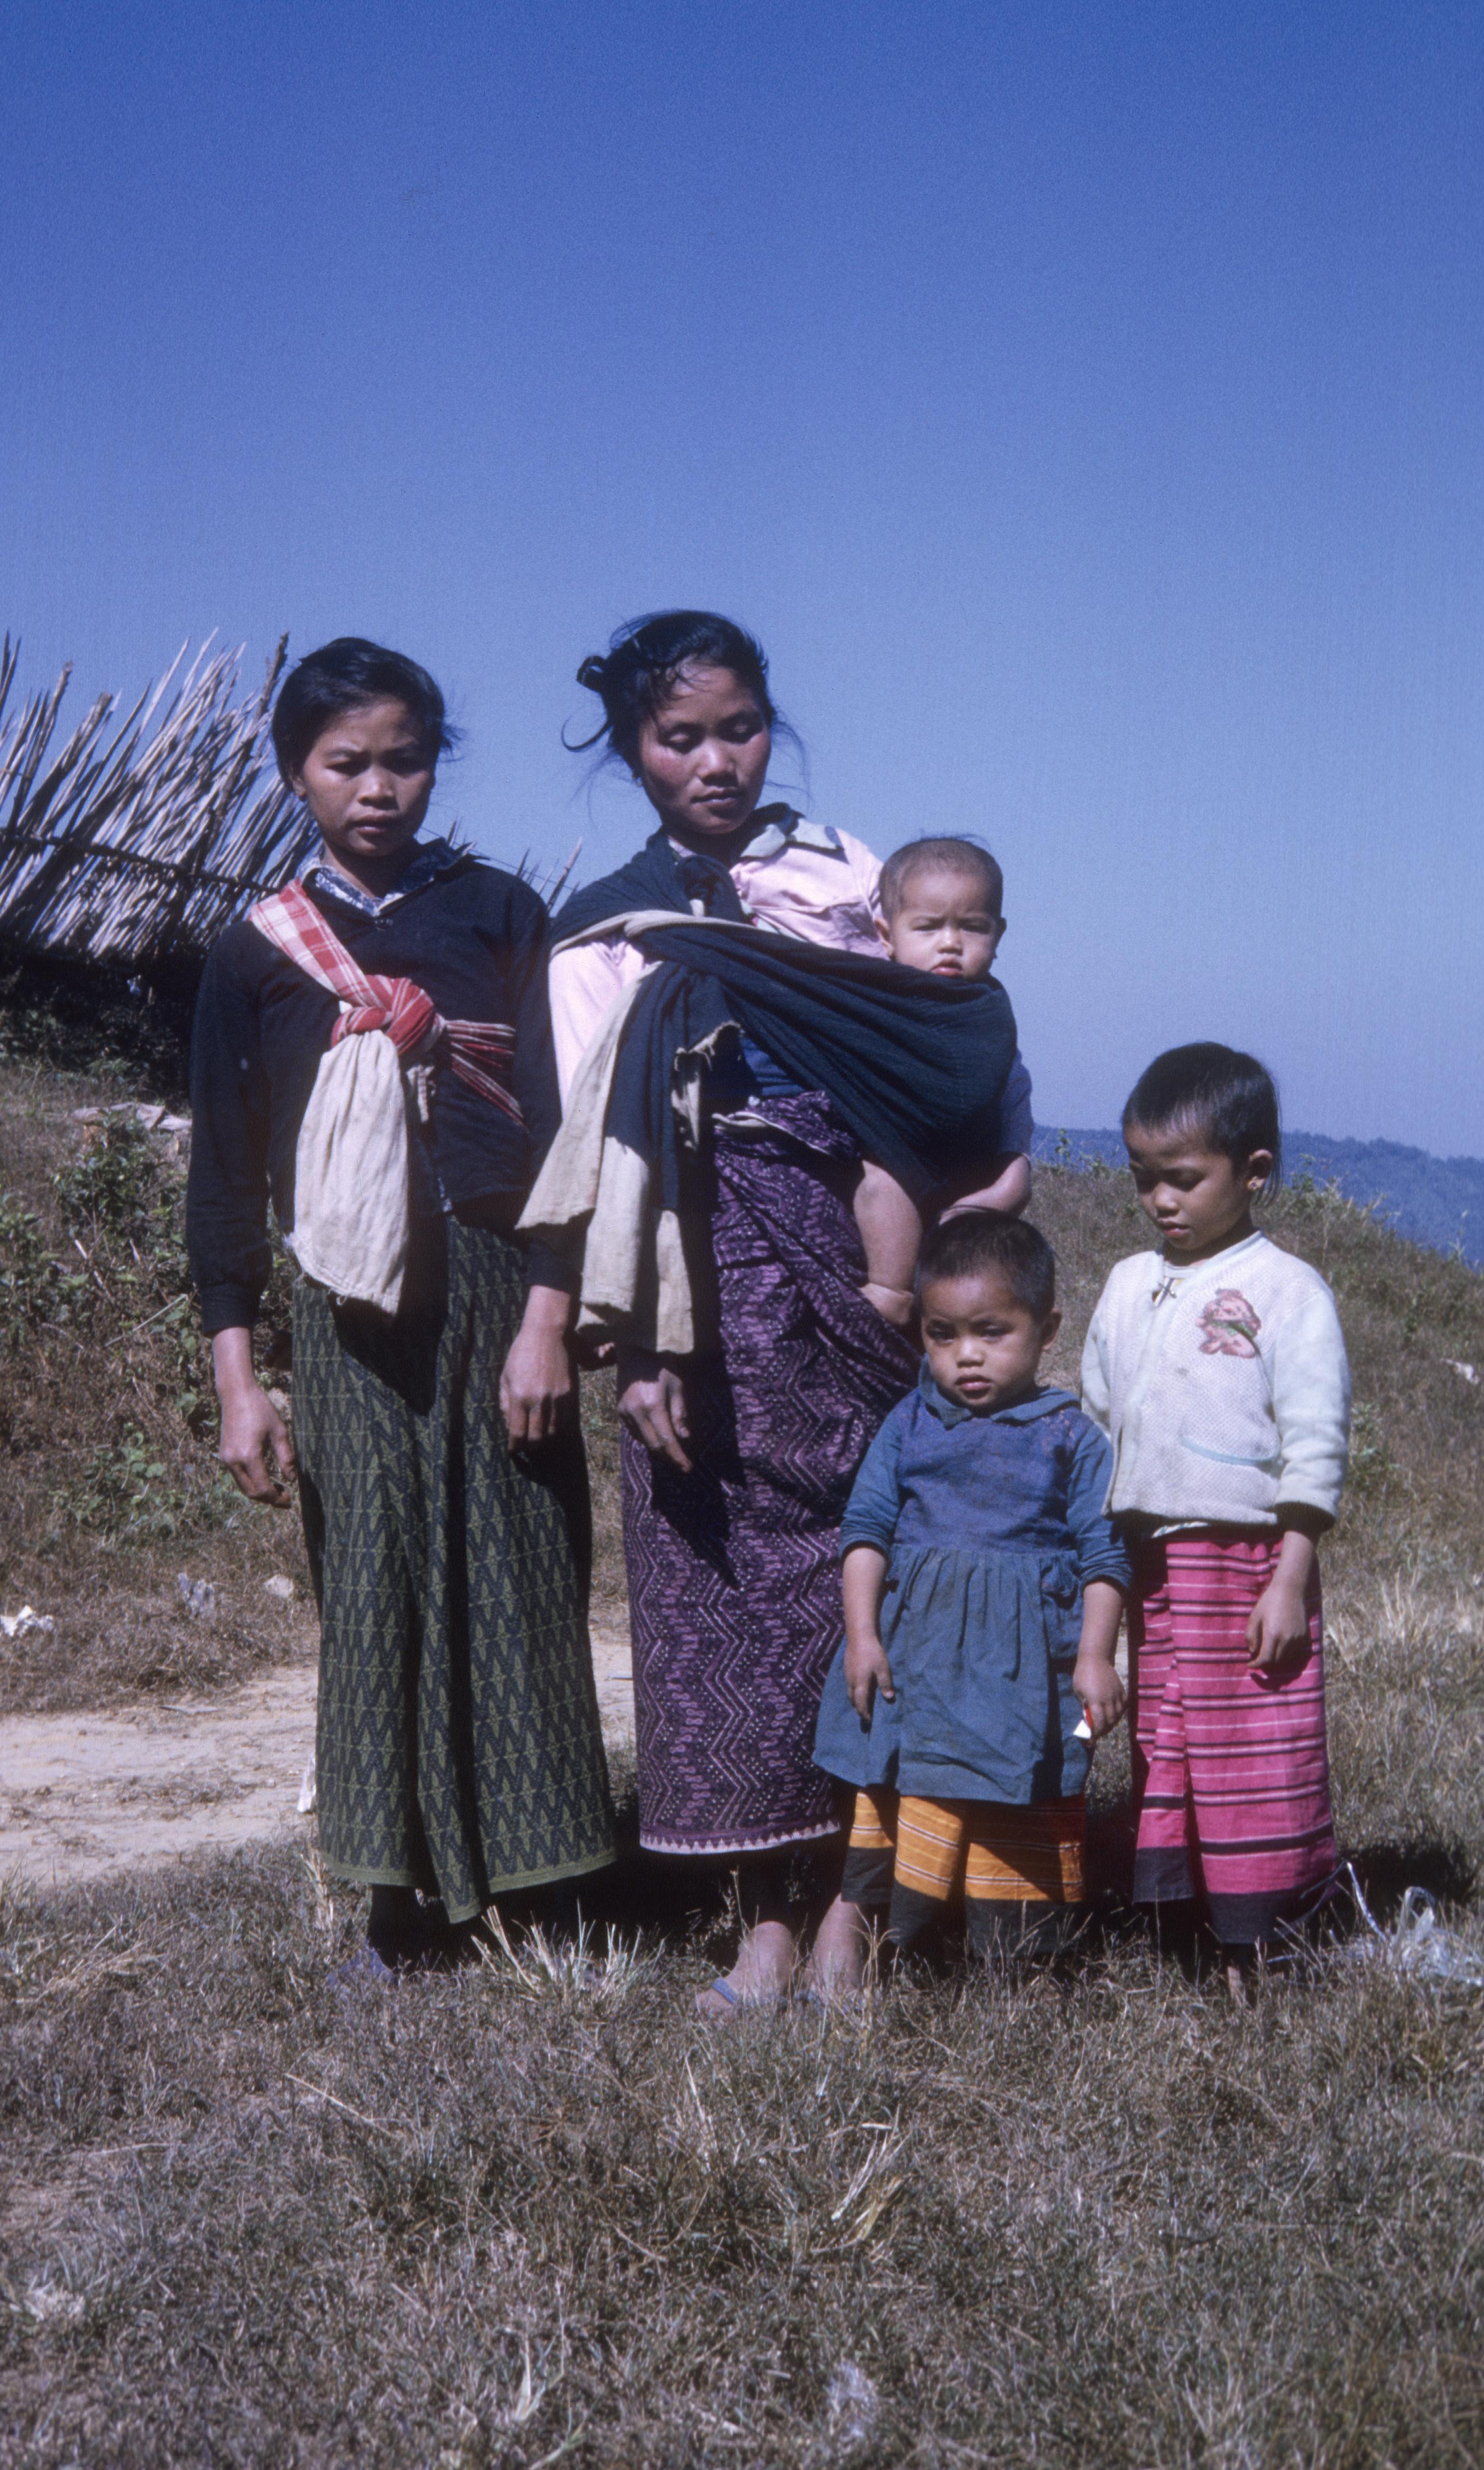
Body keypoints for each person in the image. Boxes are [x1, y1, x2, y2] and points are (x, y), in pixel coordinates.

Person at [536, 611, 1019, 2012]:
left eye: (737, 727)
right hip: (691, 1283)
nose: (716, 759)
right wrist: (629, 1348)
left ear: (770, 723)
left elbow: (946, 1044)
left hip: (859, 1268)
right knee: (719, 1605)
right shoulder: (609, 933)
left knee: (863, 1580)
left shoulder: (850, 875)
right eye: (679, 737)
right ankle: (757, 1921)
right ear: (634, 750)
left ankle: (851, 1922)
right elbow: (594, 1154)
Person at [186, 637, 615, 1967]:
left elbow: (561, 1134)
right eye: (345, 763)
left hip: (495, 1282)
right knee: (370, 1581)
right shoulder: (256, 952)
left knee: (521, 1565)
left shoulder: (494, 912)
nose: (379, 788)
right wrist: (239, 1379)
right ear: (294, 774)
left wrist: (550, 1317)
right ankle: (391, 1897)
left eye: (406, 759)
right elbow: (221, 1174)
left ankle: (545, 1887)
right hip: (342, 1299)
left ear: (438, 764)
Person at [1080, 1043, 1351, 1991]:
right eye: (1143, 1178)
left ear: (1253, 1172)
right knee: (1167, 1738)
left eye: (1183, 1179)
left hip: (1246, 1563)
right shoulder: (1124, 1285)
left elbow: (1313, 1441)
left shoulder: (1287, 1291)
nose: (1160, 1200)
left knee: (1253, 1754)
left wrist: (1287, 1575)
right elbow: (1098, 1418)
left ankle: (1266, 1939)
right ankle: (1183, 1930)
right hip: (1150, 1561)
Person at [812, 1211, 1126, 1977]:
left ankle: (1018, 1963)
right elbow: (866, 1533)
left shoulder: (1073, 1439)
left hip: (1022, 1673)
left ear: (1048, 1328)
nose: (967, 1356)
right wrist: (863, 1637)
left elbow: (1104, 1556)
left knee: (1032, 1782)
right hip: (917, 1660)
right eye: (942, 1334)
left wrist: (1096, 1655)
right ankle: (888, 1943)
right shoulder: (910, 1422)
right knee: (897, 1781)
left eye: (992, 1331)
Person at [851, 836, 1036, 1329]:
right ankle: (890, 1290)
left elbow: (1014, 1111)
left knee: (1015, 1178)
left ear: (998, 934)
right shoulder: (872, 1004)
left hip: (972, 1179)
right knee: (882, 1179)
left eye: (973, 927)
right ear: (886, 935)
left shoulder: (990, 1023)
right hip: (897, 1167)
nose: (951, 942)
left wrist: (985, 1201)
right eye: (928, 927)